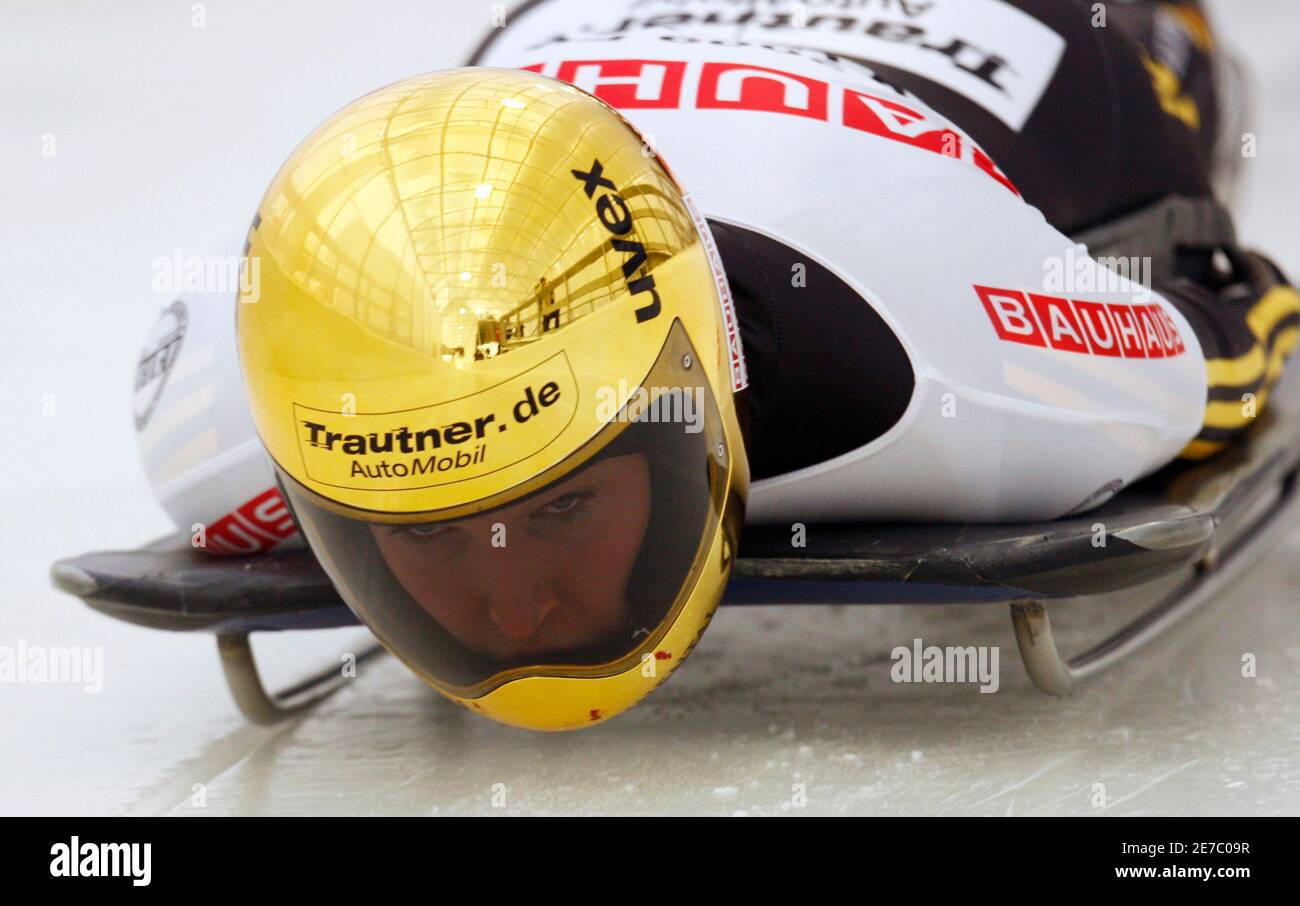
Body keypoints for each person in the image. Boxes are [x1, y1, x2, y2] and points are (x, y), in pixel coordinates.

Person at [232, 0, 1298, 730]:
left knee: (1170, 66)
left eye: (557, 509)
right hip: (597, 30)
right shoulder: (265, 379)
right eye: (427, 530)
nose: (514, 614)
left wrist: (1209, 293)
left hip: (1020, 33)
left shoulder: (955, 357)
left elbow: (1220, 336)